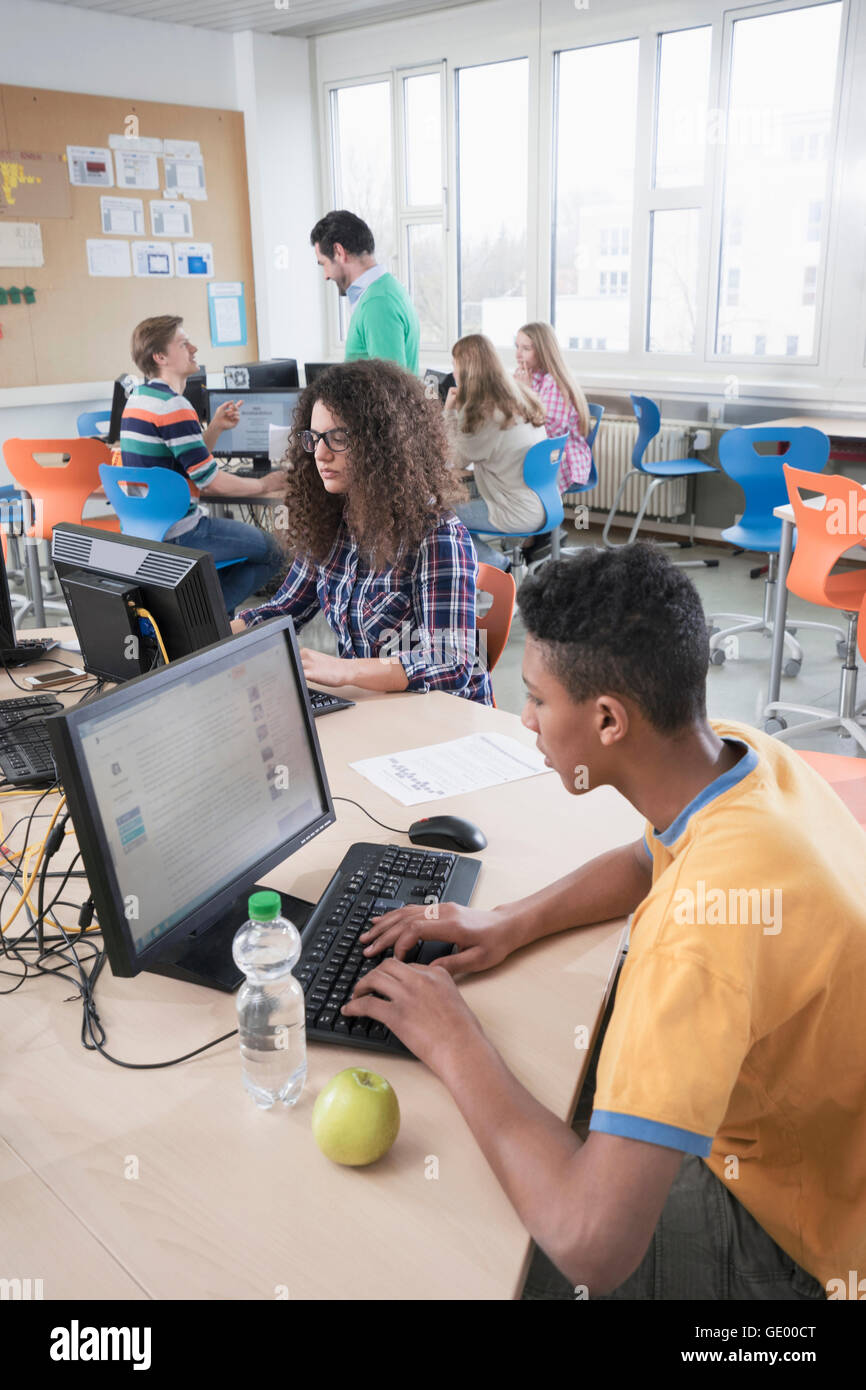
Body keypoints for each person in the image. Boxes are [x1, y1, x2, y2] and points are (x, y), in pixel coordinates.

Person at [342, 543, 866, 1301]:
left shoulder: (696, 932)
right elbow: (647, 857)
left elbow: (594, 1246)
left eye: (537, 699)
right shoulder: (748, 759)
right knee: (558, 1092)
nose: (527, 720)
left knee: (500, 1251)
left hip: (805, 1252)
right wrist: (510, 921)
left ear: (610, 720)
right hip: (836, 1149)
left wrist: (454, 1040)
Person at [232, 360, 493, 705]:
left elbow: (450, 663)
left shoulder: (437, 535)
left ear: (384, 445)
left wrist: (346, 671)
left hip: (442, 719)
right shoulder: (330, 522)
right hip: (375, 706)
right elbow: (283, 610)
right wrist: (207, 638)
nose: (320, 454)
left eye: (338, 438)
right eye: (314, 438)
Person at [120, 316, 285, 617]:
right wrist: (265, 484)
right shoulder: (173, 406)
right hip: (181, 531)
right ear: (160, 357)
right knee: (274, 552)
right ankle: (208, 619)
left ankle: (204, 616)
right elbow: (210, 482)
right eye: (184, 344)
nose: (194, 348)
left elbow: (186, 464)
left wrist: (216, 429)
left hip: (148, 529)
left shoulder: (139, 399)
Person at [446, 333, 548, 573]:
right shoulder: (519, 397)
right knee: (456, 503)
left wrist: (449, 411)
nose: (452, 373)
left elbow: (452, 459)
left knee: (433, 516)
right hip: (543, 502)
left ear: (467, 371)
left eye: (454, 366)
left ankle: (498, 566)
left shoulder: (487, 415)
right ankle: (488, 566)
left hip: (513, 510)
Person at [515, 321, 593, 563]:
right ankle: (533, 538)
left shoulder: (555, 384)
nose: (518, 354)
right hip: (543, 453)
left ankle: (535, 537)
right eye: (517, 347)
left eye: (526, 348)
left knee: (517, 477)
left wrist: (524, 394)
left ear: (543, 351)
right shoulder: (532, 377)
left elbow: (546, 432)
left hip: (562, 457)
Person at [310, 211, 420, 374]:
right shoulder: (386, 289)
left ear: (339, 252)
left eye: (324, 264)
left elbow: (392, 391)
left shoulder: (377, 303)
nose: (326, 276)